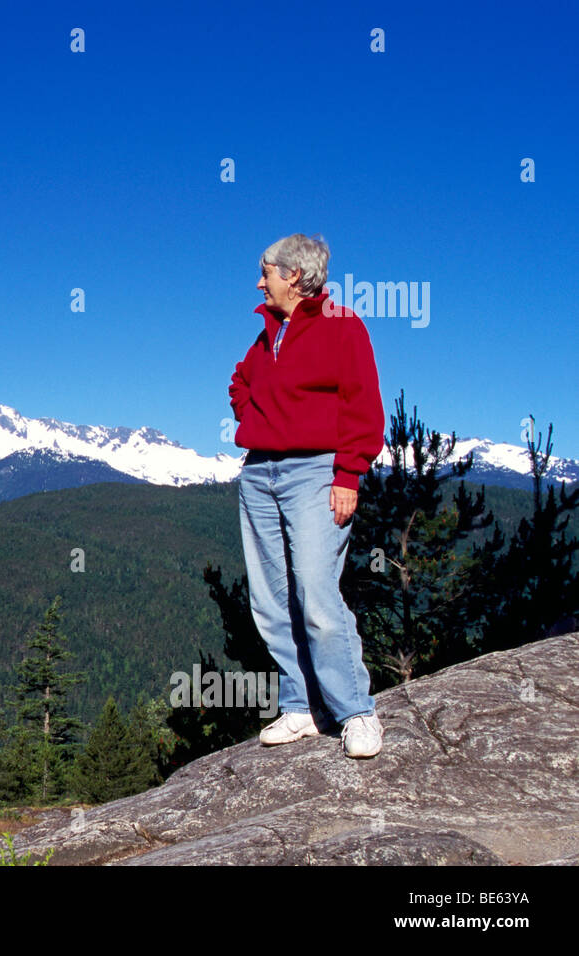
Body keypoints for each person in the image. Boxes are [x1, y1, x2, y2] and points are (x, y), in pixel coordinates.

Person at [228, 233, 386, 758]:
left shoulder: (344, 328)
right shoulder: (266, 333)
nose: (260, 280)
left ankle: (356, 713)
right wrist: (252, 420)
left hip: (315, 472)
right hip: (259, 474)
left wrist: (348, 475)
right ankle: (300, 707)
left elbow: (363, 406)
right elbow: (240, 383)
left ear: (294, 275)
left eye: (266, 270)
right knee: (271, 600)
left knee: (318, 595)